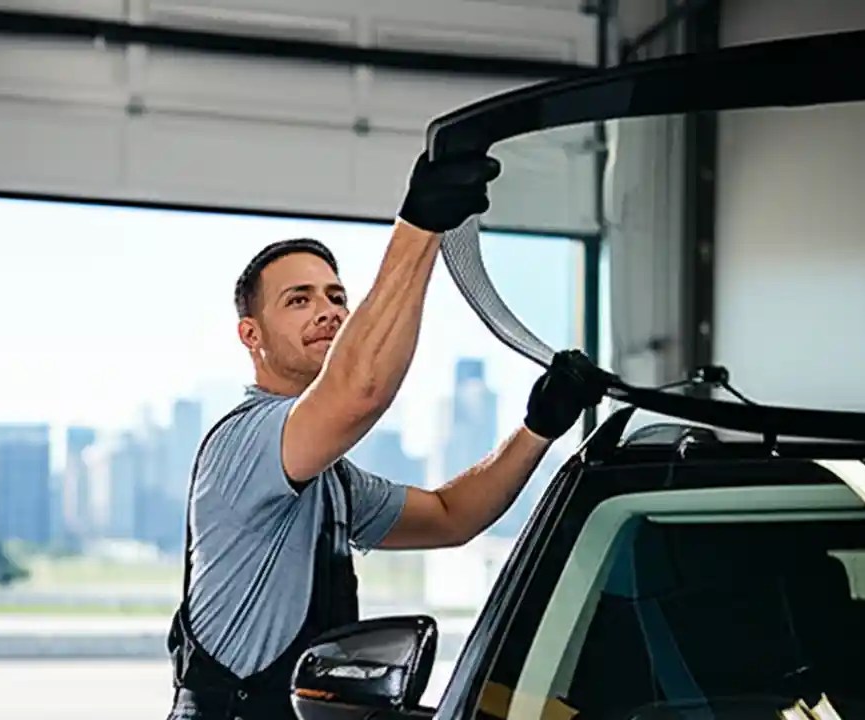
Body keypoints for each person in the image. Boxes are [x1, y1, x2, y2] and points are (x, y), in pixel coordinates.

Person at [165, 150, 604, 720]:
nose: (326, 311)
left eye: (335, 297)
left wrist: (539, 427)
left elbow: (451, 516)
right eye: (299, 300)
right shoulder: (244, 443)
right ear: (252, 335)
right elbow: (359, 392)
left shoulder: (330, 479)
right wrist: (419, 225)